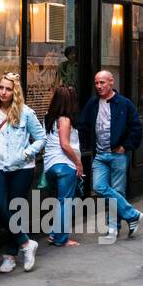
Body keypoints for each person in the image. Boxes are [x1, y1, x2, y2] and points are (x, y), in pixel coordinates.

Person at [0, 72, 45, 273]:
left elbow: (41, 138)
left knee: (14, 209)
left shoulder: (26, 112)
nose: (3, 92)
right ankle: (26, 243)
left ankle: (10, 255)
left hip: (21, 168)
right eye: (1, 88)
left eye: (8, 89)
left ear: (15, 91)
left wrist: (26, 154)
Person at [77, 70, 143, 243]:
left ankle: (113, 229)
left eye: (102, 83)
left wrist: (125, 147)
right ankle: (132, 215)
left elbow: (136, 128)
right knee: (99, 187)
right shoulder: (93, 103)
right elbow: (82, 124)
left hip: (117, 154)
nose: (99, 86)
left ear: (111, 82)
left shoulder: (124, 104)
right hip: (100, 155)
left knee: (118, 192)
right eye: (97, 83)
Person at [43, 85, 83, 247]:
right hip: (65, 165)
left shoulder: (49, 118)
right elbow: (65, 145)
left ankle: (54, 234)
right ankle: (61, 238)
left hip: (50, 166)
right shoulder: (65, 120)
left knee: (65, 201)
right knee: (66, 201)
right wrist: (78, 162)